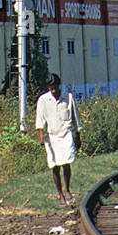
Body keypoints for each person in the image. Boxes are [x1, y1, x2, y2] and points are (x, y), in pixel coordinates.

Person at [35, 73, 82, 206]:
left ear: (59, 85)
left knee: (66, 163)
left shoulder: (68, 97)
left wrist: (78, 135)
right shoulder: (43, 100)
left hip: (66, 134)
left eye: (55, 88)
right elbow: (40, 119)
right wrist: (41, 135)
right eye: (51, 88)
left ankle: (67, 190)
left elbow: (75, 118)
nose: (53, 91)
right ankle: (60, 194)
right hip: (52, 136)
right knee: (54, 165)